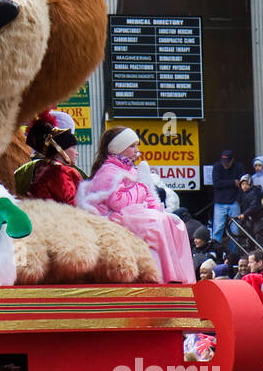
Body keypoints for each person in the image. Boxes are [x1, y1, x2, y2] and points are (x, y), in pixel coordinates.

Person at [78, 127, 195, 283]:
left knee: (174, 221)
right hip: (112, 217)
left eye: (136, 145)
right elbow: (117, 202)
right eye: (132, 146)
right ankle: (160, 275)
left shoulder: (129, 169)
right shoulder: (109, 171)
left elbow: (148, 196)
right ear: (118, 148)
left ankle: (177, 275)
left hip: (133, 213)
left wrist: (157, 208)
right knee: (156, 223)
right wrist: (141, 187)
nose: (137, 150)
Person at [16, 110, 84, 205]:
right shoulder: (63, 172)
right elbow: (73, 205)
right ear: (60, 149)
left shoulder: (34, 168)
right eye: (73, 147)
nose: (77, 153)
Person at [210, 149, 244, 245]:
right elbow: (216, 183)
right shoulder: (217, 166)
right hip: (220, 202)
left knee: (235, 229)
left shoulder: (238, 167)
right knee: (217, 229)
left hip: (233, 202)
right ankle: (215, 252)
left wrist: (238, 200)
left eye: (227, 162)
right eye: (223, 162)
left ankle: (233, 253)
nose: (225, 164)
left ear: (232, 160)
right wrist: (233, 182)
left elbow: (242, 184)